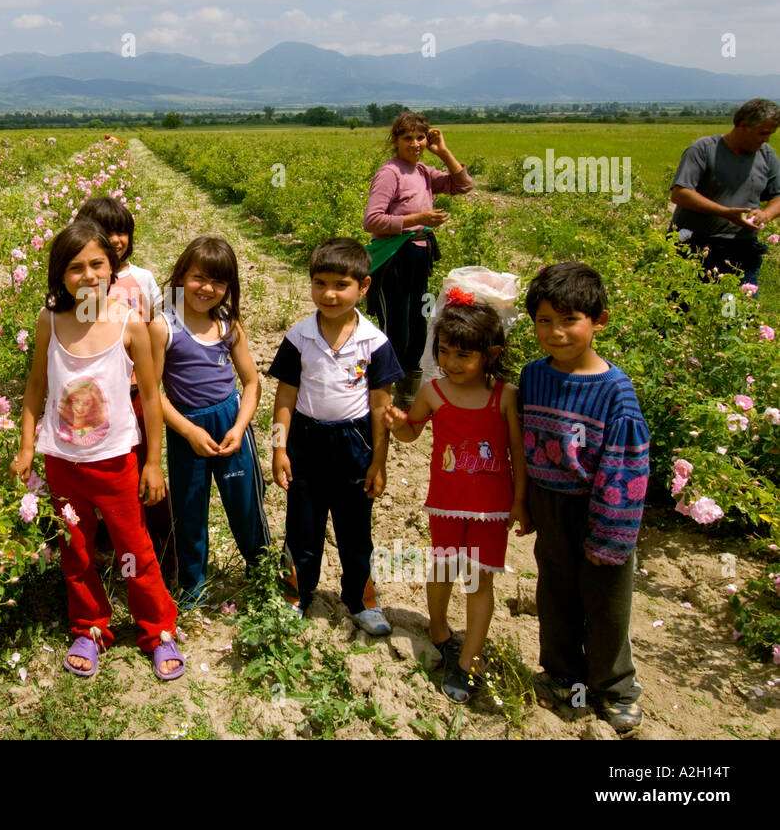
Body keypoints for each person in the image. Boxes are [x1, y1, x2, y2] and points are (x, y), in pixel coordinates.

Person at [10, 220, 184, 680]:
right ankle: (89, 625)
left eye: (96, 265)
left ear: (113, 268)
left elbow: (149, 396)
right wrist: (27, 446)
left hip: (116, 461)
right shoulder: (50, 320)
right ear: (59, 275)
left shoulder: (130, 323)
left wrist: (151, 463)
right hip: (63, 461)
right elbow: (34, 387)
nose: (87, 276)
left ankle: (157, 629)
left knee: (134, 548)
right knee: (78, 549)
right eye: (74, 268)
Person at [517, 262, 650, 732]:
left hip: (599, 510)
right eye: (544, 321)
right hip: (550, 505)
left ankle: (615, 688)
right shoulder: (534, 377)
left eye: (569, 319)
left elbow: (625, 470)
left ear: (599, 321)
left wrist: (609, 537)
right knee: (555, 592)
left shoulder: (616, 393)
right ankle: (563, 676)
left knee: (606, 605)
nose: (555, 332)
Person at [383, 294, 527, 703]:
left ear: (491, 354)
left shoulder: (506, 396)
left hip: (491, 510)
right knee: (443, 567)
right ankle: (439, 629)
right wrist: (397, 423)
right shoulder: (432, 391)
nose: (450, 362)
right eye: (443, 352)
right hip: (444, 503)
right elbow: (412, 433)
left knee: (478, 580)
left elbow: (517, 452)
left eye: (463, 355)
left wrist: (520, 500)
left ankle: (467, 660)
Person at [269, 238, 404, 634]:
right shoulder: (299, 337)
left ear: (363, 287)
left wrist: (378, 462)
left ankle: (362, 601)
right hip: (307, 442)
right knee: (302, 526)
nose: (329, 294)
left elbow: (381, 407)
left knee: (355, 529)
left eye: (340, 284)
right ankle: (295, 594)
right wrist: (280, 448)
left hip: (355, 445)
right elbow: (285, 397)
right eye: (320, 282)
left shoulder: (374, 343)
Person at [150, 236, 269, 608]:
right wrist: (186, 430)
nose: (208, 289)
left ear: (228, 287)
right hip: (187, 428)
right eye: (200, 278)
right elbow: (152, 392)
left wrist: (239, 427)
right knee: (188, 509)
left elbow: (251, 382)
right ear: (182, 274)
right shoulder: (163, 326)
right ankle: (192, 586)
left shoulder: (227, 324)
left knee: (246, 503)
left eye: (219, 283)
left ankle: (262, 571)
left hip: (230, 422)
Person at [73, 196, 175, 583]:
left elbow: (155, 328)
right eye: (106, 231)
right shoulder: (84, 280)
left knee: (148, 471)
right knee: (104, 473)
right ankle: (108, 547)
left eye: (122, 231)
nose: (116, 239)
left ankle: (163, 555)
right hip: (97, 398)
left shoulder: (142, 279)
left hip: (135, 392)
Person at [363, 112, 474, 408]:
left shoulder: (423, 171)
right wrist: (419, 218)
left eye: (420, 137)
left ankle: (407, 390)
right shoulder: (391, 173)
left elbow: (462, 185)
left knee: (417, 321)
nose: (415, 143)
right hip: (394, 257)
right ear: (396, 141)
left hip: (419, 254)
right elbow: (372, 220)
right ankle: (382, 387)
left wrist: (444, 151)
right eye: (407, 138)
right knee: (396, 323)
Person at [670, 98, 780, 292]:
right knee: (680, 308)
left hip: (742, 250)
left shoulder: (766, 155)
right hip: (695, 246)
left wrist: (766, 214)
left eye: (770, 134)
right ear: (744, 125)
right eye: (762, 133)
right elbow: (680, 193)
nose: (766, 139)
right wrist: (725, 212)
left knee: (734, 315)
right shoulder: (703, 149)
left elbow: (778, 196)